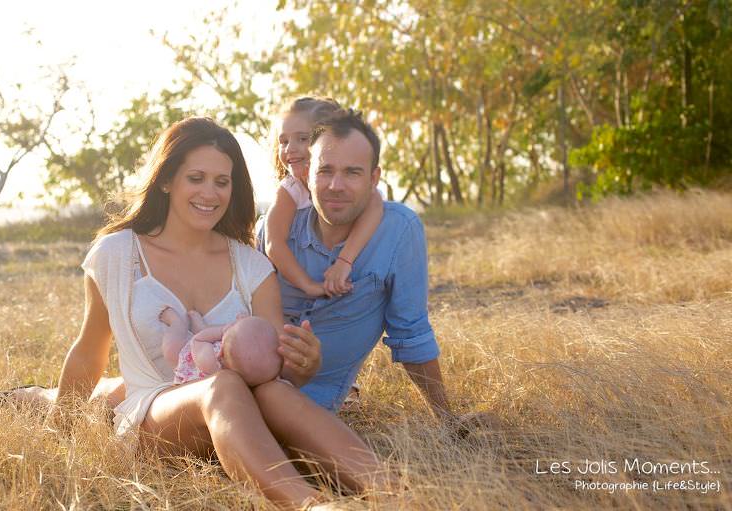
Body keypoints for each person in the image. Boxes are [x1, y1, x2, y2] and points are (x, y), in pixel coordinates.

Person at [53, 116, 391, 509]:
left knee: (273, 393)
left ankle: (395, 490)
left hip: (243, 425)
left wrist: (304, 366)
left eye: (222, 181)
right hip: (155, 415)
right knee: (224, 385)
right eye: (195, 178)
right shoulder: (117, 254)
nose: (209, 193)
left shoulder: (251, 265)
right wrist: (58, 435)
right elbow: (89, 351)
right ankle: (312, 505)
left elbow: (274, 370)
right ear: (167, 180)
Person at [257, 107, 452, 418]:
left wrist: (448, 418)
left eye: (352, 172)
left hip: (318, 404)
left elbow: (410, 331)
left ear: (374, 178)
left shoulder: (398, 230)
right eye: (326, 170)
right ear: (309, 171)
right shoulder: (273, 228)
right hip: (252, 387)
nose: (336, 185)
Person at [266, 97, 384, 298]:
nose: (290, 148)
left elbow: (375, 206)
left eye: (302, 139)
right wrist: (309, 285)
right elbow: (273, 243)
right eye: (283, 141)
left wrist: (344, 261)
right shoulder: (290, 188)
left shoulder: (357, 189)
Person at [160, 308, 282, 387]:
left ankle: (177, 323)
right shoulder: (256, 374)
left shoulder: (211, 363)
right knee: (239, 335)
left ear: (221, 353)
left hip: (194, 358)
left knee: (171, 349)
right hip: (217, 347)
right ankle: (202, 326)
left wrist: (222, 331)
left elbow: (198, 340)